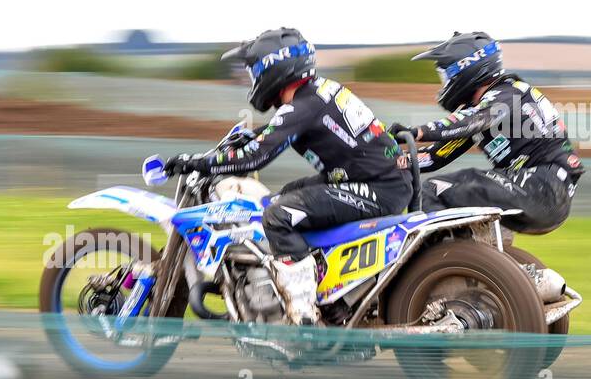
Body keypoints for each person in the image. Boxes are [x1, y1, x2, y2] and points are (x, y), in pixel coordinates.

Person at [160, 27, 412, 325]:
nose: (253, 80)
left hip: (375, 187)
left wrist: (199, 163)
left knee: (278, 215)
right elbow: (283, 130)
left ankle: (303, 315)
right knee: (280, 198)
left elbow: (257, 156)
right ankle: (325, 289)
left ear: (273, 68)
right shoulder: (317, 92)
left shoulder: (302, 105)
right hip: (375, 181)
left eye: (254, 71)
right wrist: (253, 136)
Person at [389, 31, 585, 234]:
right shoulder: (483, 108)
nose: (445, 83)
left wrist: (418, 131)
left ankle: (444, 260)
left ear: (466, 68)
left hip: (542, 186)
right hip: (535, 189)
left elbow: (475, 120)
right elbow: (434, 157)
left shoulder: (508, 92)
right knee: (463, 199)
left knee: (434, 190)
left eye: (446, 75)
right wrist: (390, 162)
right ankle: (474, 258)